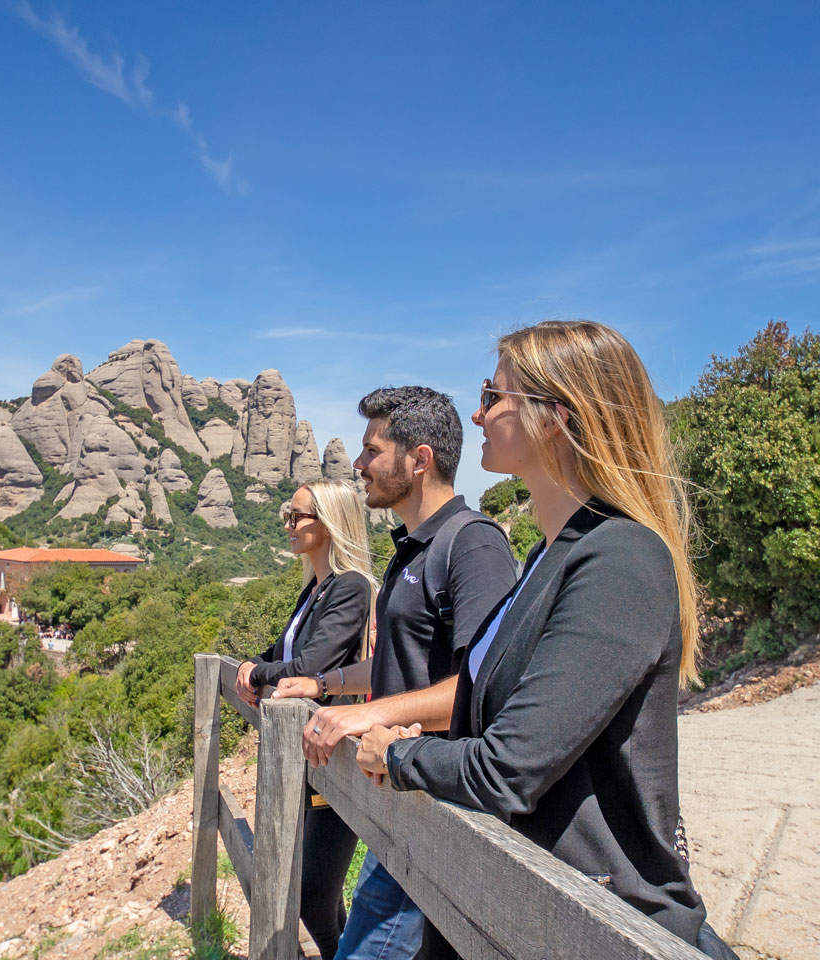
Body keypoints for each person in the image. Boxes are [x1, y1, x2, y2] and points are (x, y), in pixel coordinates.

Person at [356, 321, 736, 959]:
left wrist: (394, 757)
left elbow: (506, 768)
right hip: (514, 898)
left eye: (493, 396)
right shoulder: (547, 556)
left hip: (594, 924)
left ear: (556, 416)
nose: (476, 414)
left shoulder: (619, 557)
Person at [274, 387, 518, 960]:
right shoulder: (411, 549)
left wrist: (367, 713)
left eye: (372, 450)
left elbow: (482, 687)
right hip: (403, 797)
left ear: (420, 459)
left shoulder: (473, 544)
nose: (358, 465)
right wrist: (326, 686)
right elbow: (399, 667)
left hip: (443, 807)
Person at [234, 479, 375, 960]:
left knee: (312, 892)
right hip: (312, 755)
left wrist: (260, 672)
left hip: (338, 754)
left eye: (299, 516)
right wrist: (250, 665)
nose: (289, 525)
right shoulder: (314, 590)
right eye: (286, 516)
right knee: (319, 893)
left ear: (330, 523)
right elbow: (280, 654)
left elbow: (308, 665)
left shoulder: (350, 587)